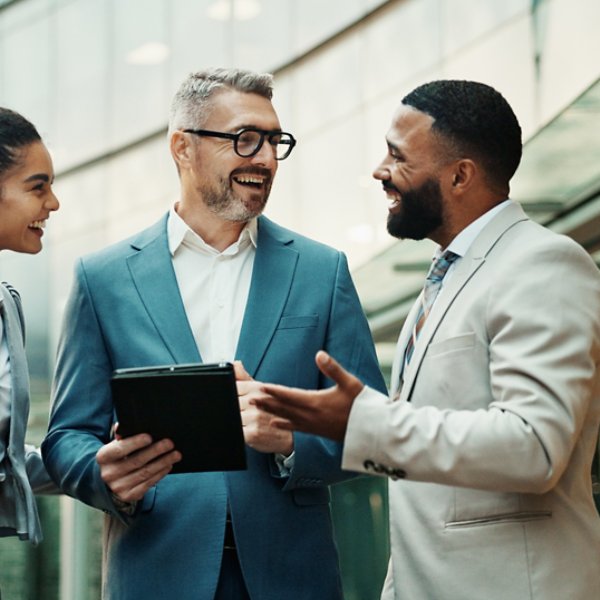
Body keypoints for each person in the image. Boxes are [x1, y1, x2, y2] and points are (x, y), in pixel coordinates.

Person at [41, 68, 385, 600]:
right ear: (183, 147)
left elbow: (375, 426)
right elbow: (66, 436)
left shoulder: (323, 270)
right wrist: (103, 474)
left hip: (292, 576)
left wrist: (293, 441)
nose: (267, 159)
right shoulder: (102, 278)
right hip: (157, 571)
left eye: (275, 141)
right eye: (246, 139)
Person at [251, 80, 600, 599]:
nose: (379, 171)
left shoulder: (541, 263)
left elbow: (534, 446)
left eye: (398, 156)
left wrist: (363, 424)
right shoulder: (446, 276)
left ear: (460, 176)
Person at [0, 107, 59, 552]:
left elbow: (9, 460)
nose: (53, 203)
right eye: (38, 187)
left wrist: (92, 465)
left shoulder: (7, 304)